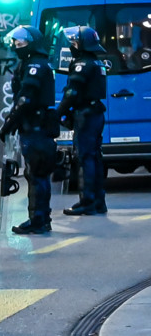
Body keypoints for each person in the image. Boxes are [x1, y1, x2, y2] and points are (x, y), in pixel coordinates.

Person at [0, 25, 59, 236]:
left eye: (21, 43)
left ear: (32, 43)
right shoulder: (33, 63)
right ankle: (41, 218)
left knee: (37, 174)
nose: (17, 46)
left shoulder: (35, 65)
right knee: (37, 174)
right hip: (36, 126)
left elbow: (26, 98)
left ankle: (38, 220)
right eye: (15, 43)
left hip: (36, 126)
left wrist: (9, 123)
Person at [60, 25, 109, 216]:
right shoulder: (97, 63)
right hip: (95, 113)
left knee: (85, 158)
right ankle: (98, 201)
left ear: (82, 44)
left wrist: (59, 113)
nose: (72, 46)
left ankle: (87, 201)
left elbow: (72, 93)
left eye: (74, 43)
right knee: (95, 157)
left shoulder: (82, 64)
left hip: (86, 115)